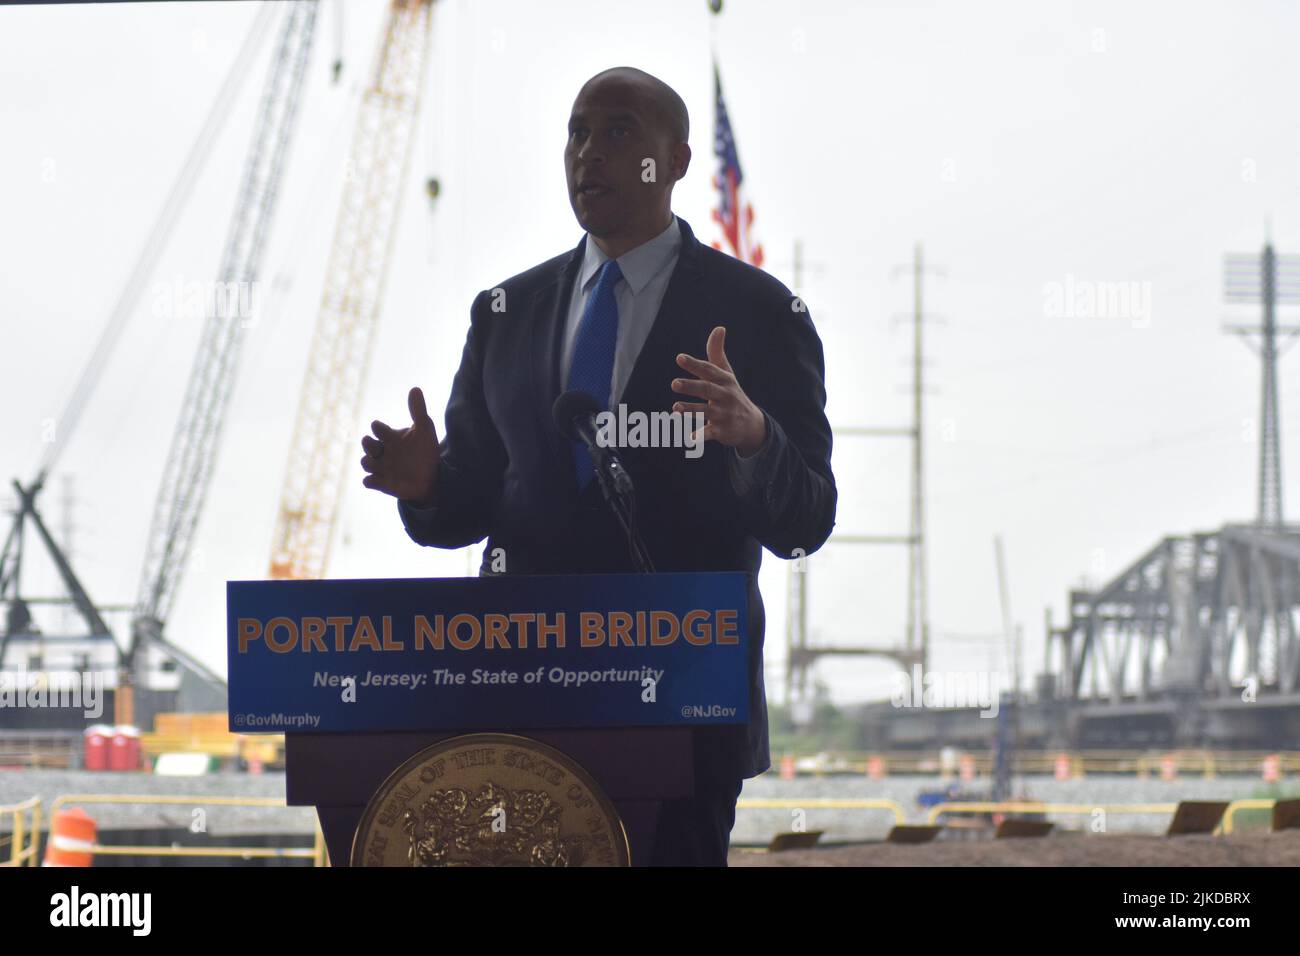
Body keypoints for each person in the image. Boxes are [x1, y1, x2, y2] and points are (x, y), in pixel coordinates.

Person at [360, 66, 836, 865]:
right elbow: (472, 503)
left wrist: (755, 436)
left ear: (677, 161)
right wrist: (429, 486)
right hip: (518, 698)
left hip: (685, 708)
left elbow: (807, 521)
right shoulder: (505, 313)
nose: (589, 153)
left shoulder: (758, 312)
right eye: (578, 133)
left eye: (618, 131)